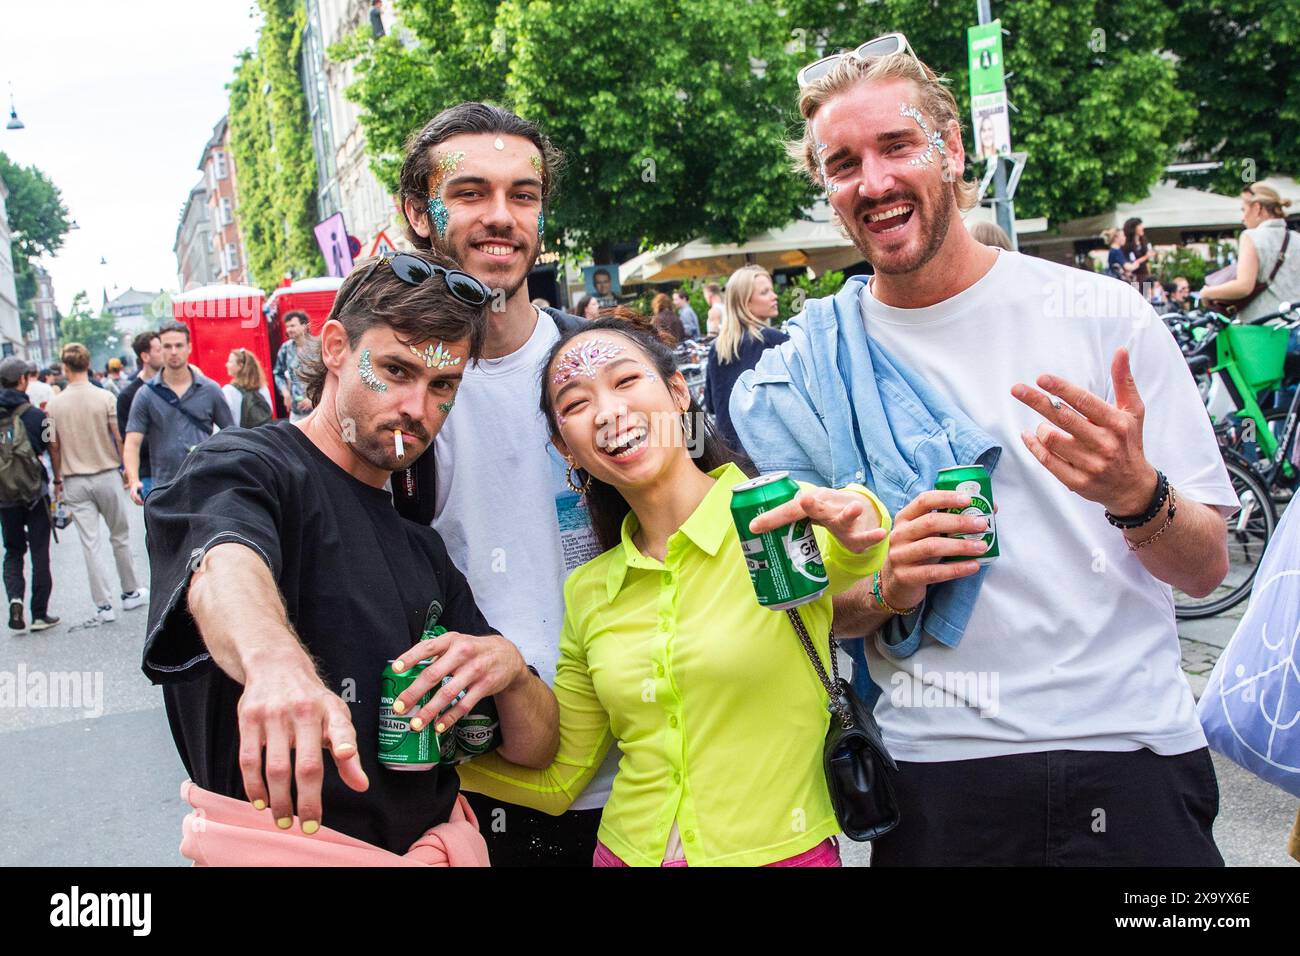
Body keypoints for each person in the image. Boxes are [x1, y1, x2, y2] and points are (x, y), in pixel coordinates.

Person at [733, 40, 1237, 866]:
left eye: (896, 147)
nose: (874, 182)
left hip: (1132, 760)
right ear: (826, 187)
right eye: (843, 163)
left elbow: (1206, 568)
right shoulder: (806, 372)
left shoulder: (1102, 317)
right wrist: (890, 583)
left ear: (952, 148)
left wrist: (1136, 494)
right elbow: (815, 617)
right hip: (937, 780)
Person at [141, 250, 558, 860]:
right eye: (394, 370)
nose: (417, 408)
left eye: (442, 385)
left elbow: (535, 748)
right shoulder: (246, 467)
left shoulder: (423, 547)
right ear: (335, 347)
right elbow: (222, 562)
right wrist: (273, 664)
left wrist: (511, 670)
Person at [455, 313, 890, 866]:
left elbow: (866, 550)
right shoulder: (590, 591)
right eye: (575, 404)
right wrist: (417, 768)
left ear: (678, 392)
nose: (609, 412)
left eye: (626, 380)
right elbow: (562, 777)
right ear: (567, 449)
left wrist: (860, 521)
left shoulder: (772, 519)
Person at [396, 101, 614, 865]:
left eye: (523, 195)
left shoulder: (603, 366)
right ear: (418, 214)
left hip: (644, 775)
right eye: (470, 193)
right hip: (482, 785)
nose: (501, 217)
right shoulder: (395, 394)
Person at [47, 343, 147, 625]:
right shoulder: (105, 398)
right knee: (120, 536)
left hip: (74, 479)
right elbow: (119, 436)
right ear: (88, 364)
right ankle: (130, 591)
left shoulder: (52, 405)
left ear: (65, 368)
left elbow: (51, 445)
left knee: (89, 543)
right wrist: (127, 469)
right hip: (106, 474)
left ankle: (103, 605)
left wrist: (57, 478)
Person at [124, 321, 233, 505]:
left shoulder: (210, 389)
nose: (173, 351)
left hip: (206, 484)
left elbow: (231, 434)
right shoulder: (146, 394)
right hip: (165, 489)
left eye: (179, 345)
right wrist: (134, 480)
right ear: (160, 349)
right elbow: (132, 442)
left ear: (189, 348)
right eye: (167, 346)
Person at [0, 356, 61, 632]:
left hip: (4, 495)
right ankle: (39, 613)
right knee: (39, 551)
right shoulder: (38, 415)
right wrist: (58, 479)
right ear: (23, 379)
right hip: (36, 492)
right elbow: (53, 445)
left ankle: (14, 599)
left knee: (13, 550)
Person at [704, 264, 786, 455]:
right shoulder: (774, 341)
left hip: (730, 453)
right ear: (745, 303)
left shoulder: (718, 347)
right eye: (765, 292)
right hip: (769, 451)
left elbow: (711, 404)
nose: (774, 296)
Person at [1200, 184, 1300, 323]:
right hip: (1295, 323)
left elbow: (1243, 287)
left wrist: (1207, 293)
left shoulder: (1252, 237)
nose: (1243, 218)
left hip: (1266, 328)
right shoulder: (1297, 238)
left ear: (1258, 208)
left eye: (1244, 209)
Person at [117, 331, 163, 500]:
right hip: (150, 472)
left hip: (183, 469)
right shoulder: (128, 396)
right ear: (145, 356)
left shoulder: (178, 385)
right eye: (159, 350)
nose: (166, 353)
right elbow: (127, 440)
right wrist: (132, 476)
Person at [274, 310, 315, 422]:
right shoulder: (285, 349)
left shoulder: (318, 347)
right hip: (296, 412)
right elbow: (278, 373)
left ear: (304, 326)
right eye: (287, 327)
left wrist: (314, 399)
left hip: (318, 410)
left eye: (292, 325)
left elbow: (327, 376)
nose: (289, 330)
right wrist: (285, 393)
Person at [221, 348, 274, 428]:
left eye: (230, 362)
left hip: (242, 437)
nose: (226, 364)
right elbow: (270, 411)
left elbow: (225, 421)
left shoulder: (229, 391)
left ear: (240, 366)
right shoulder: (263, 387)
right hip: (263, 436)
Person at [1122, 216, 1152, 286]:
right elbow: (1131, 262)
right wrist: (1146, 256)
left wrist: (1149, 274)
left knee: (1146, 295)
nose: (1142, 228)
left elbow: (1147, 262)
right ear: (1133, 228)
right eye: (1139, 225)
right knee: (1136, 294)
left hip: (1145, 275)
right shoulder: (1126, 245)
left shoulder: (1144, 242)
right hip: (1134, 277)